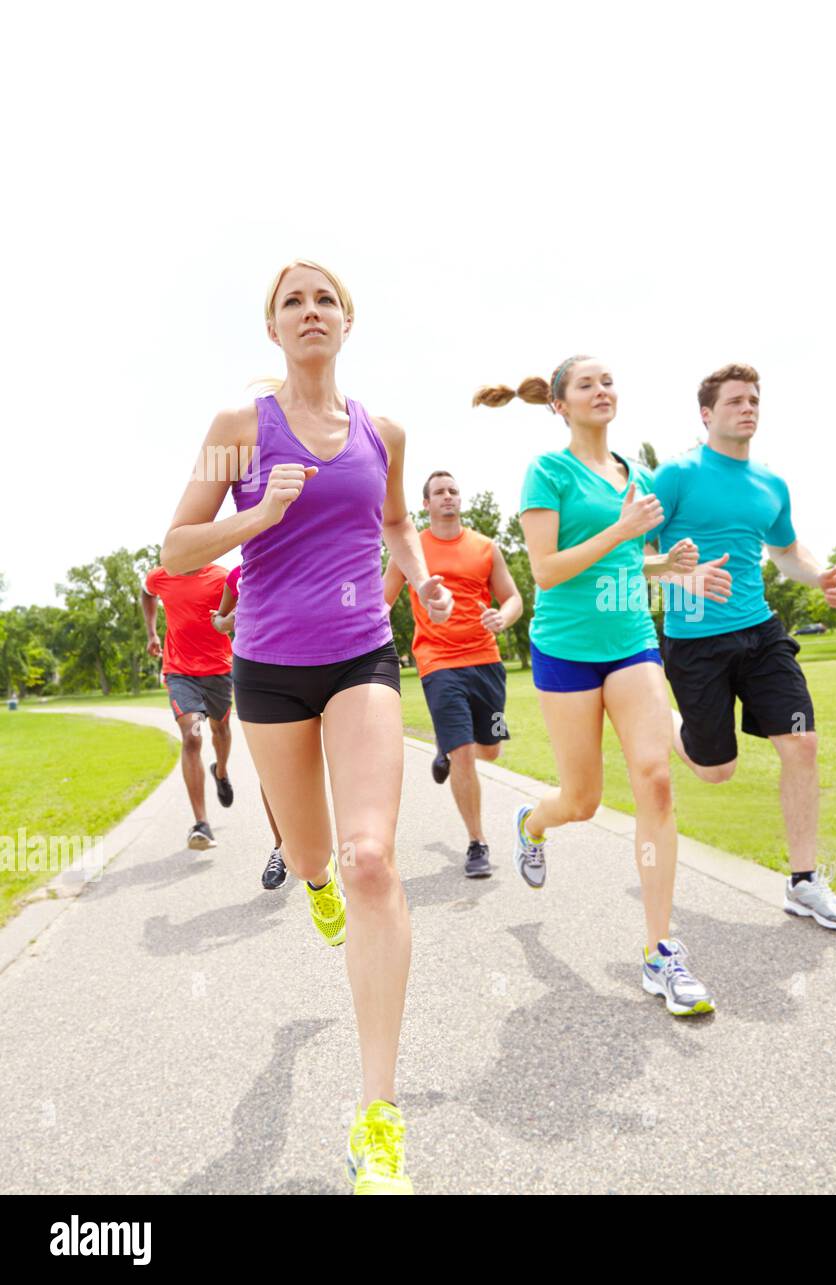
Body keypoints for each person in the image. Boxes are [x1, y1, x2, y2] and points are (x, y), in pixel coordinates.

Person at [159, 259, 453, 1195]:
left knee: (375, 859)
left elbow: (398, 524)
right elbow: (174, 549)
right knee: (321, 858)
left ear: (348, 320)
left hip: (362, 655)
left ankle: (378, 1119)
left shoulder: (384, 431)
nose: (311, 310)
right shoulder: (238, 430)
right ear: (274, 329)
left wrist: (424, 575)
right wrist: (264, 512)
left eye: (325, 297)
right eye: (294, 300)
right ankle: (314, 880)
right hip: (268, 672)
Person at [473, 356, 715, 1016]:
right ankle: (533, 821)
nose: (602, 390)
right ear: (560, 404)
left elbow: (622, 560)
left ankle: (661, 950)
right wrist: (625, 529)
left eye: (608, 380)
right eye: (587, 384)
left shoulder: (630, 472)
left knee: (655, 776)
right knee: (581, 799)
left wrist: (669, 564)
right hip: (566, 649)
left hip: (632, 640)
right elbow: (548, 570)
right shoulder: (546, 472)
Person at [648, 362, 836, 931]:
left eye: (754, 400)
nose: (749, 408)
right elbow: (628, 554)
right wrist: (678, 574)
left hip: (760, 630)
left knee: (802, 742)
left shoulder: (771, 484)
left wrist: (822, 578)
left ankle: (804, 884)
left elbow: (787, 552)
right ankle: (661, 718)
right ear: (706, 413)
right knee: (716, 771)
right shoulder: (673, 476)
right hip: (694, 640)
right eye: (736, 400)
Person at [383, 470, 522, 878]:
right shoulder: (411, 551)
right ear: (425, 504)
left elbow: (512, 596)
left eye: (453, 491)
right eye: (439, 492)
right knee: (465, 753)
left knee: (490, 750)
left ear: (460, 500)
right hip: (438, 661)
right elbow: (381, 601)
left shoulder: (485, 547)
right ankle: (477, 843)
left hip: (485, 659)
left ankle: (445, 749)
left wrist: (504, 616)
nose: (447, 497)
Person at [140, 563, 233, 850]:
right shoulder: (162, 574)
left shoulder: (221, 578)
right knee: (192, 735)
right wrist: (152, 633)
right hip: (180, 672)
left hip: (218, 670)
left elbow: (238, 612)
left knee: (221, 729)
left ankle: (221, 772)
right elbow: (146, 592)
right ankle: (202, 824)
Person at [211, 563, 288, 889]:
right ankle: (281, 849)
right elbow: (219, 621)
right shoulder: (236, 576)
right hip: (260, 674)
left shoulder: (304, 554)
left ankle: (331, 847)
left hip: (320, 664)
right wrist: (226, 622)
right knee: (274, 770)